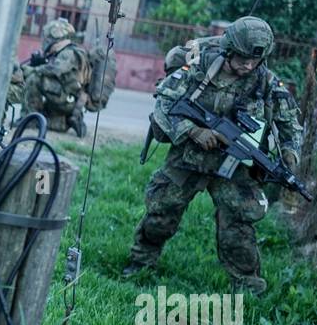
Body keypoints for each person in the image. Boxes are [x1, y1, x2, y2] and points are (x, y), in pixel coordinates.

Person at [123, 16, 303, 295]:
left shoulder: (265, 81)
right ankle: (141, 262)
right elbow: (164, 103)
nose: (248, 65)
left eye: (254, 60)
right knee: (162, 211)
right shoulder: (198, 67)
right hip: (188, 157)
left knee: (239, 224)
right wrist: (193, 132)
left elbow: (289, 122)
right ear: (230, 49)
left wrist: (290, 154)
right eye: (243, 58)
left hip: (235, 165)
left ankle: (248, 286)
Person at [22, 18, 91, 137]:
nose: (46, 41)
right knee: (52, 124)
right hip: (67, 98)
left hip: (68, 99)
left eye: (48, 38)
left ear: (57, 39)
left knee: (34, 78)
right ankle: (64, 121)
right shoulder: (64, 52)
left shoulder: (68, 53)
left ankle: (31, 119)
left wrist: (33, 69)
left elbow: (56, 70)